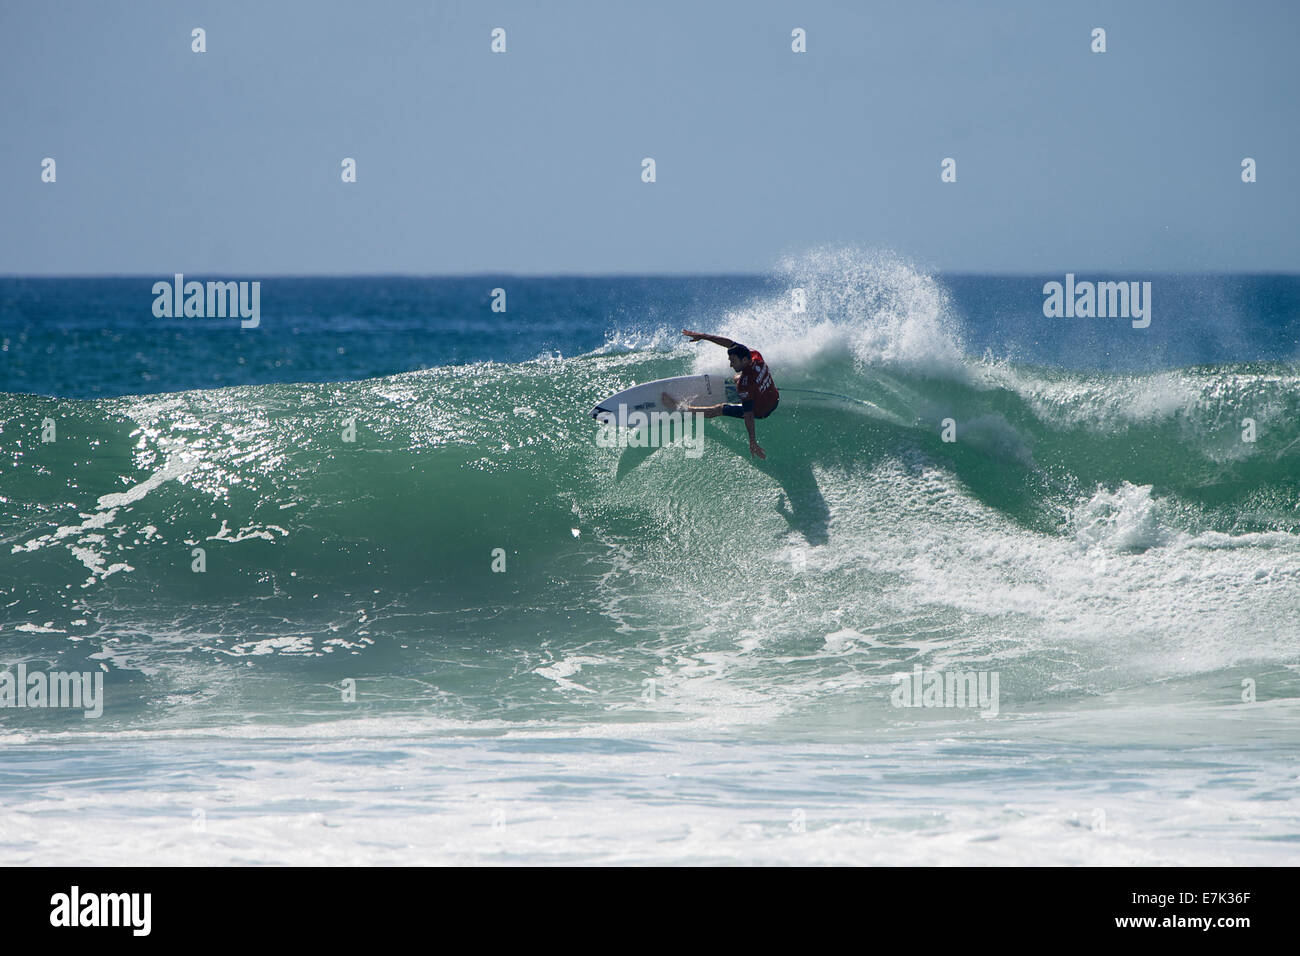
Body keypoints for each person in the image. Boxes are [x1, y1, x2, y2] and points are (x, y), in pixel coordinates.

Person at [662, 330, 779, 459]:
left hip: (761, 411)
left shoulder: (745, 385)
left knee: (718, 409)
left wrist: (752, 441)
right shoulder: (755, 355)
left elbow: (749, 414)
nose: (730, 364)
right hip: (775, 399)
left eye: (733, 361)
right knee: (737, 378)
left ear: (744, 359)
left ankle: (681, 408)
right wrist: (703, 336)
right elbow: (729, 343)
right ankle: (741, 391)